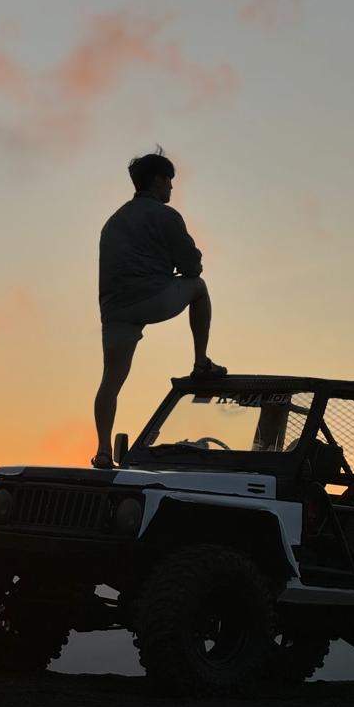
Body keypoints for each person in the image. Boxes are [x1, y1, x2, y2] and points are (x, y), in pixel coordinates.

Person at [92, 148, 227, 469]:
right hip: (152, 298)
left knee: (110, 382)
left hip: (115, 311)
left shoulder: (113, 221)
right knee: (199, 288)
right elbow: (193, 267)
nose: (171, 187)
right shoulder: (166, 216)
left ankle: (102, 451)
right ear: (156, 180)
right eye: (168, 180)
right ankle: (200, 363)